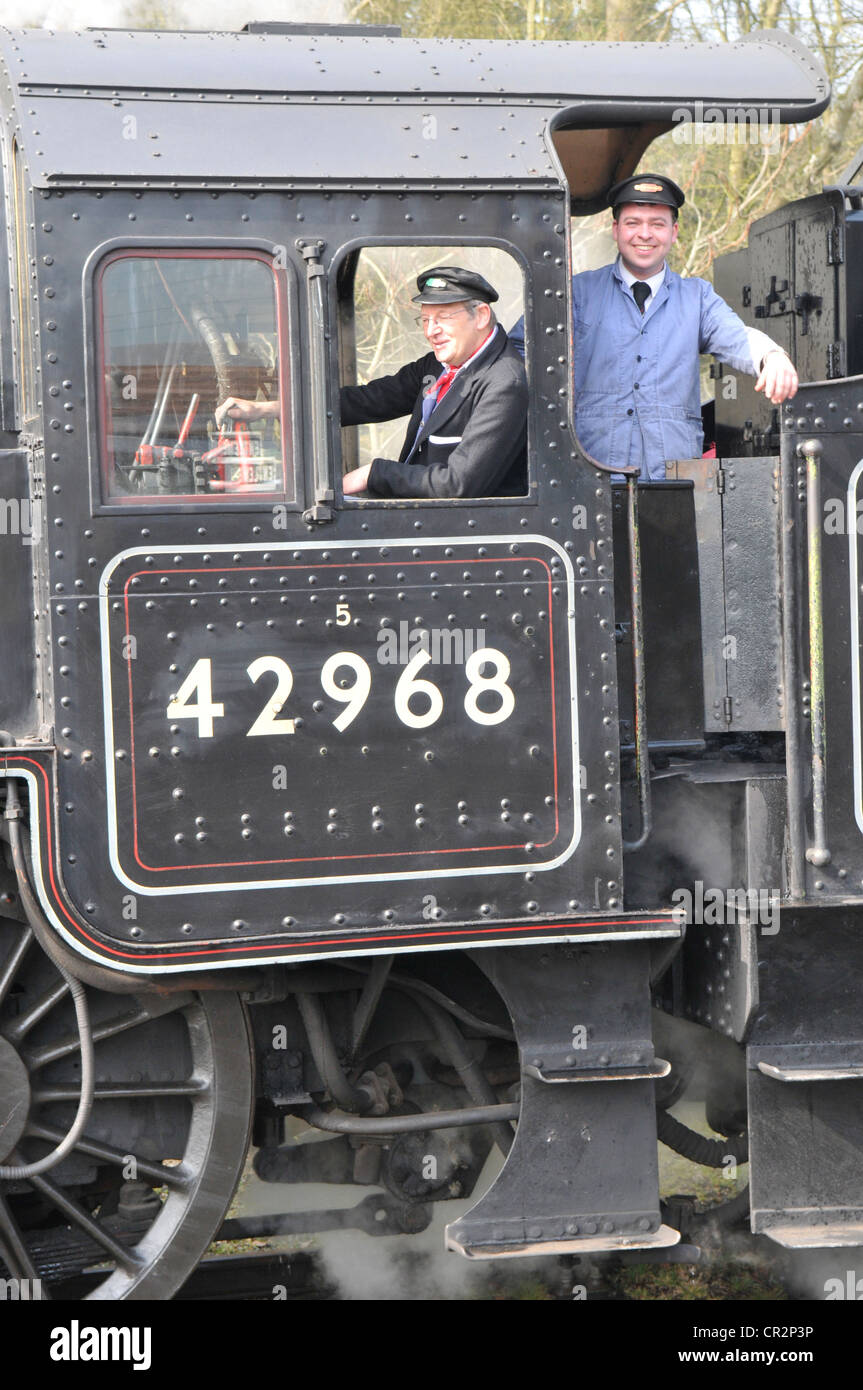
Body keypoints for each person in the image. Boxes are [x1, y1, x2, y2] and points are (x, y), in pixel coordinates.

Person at [510, 173, 797, 481]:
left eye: (657, 224)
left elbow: (737, 337)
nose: (644, 234)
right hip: (592, 473)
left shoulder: (697, 297)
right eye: (633, 223)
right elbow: (521, 346)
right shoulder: (577, 292)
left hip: (672, 477)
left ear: (673, 232)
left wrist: (772, 355)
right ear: (616, 230)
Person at [216, 266, 528, 499]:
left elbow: (458, 483)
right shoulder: (441, 363)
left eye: (443, 317)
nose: (431, 331)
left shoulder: (504, 381)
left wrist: (373, 474)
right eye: (425, 320)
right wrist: (270, 408)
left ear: (482, 315)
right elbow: (371, 399)